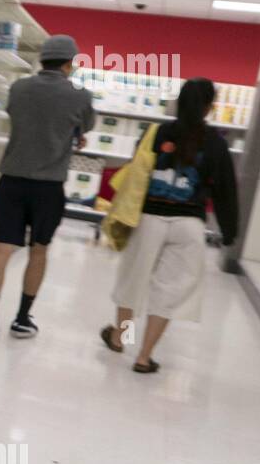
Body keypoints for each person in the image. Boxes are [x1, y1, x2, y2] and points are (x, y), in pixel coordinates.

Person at [99, 78, 238, 372]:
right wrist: (229, 231)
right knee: (169, 290)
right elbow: (226, 189)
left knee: (133, 279)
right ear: (210, 107)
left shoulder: (157, 132)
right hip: (189, 225)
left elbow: (136, 172)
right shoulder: (216, 143)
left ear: (179, 102)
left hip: (149, 219)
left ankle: (118, 338)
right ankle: (144, 356)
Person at [0, 34, 94, 345]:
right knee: (39, 250)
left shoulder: (19, 87)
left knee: (1, 251)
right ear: (70, 63)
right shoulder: (80, 95)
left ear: (43, 59)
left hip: (12, 181)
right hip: (49, 187)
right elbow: (85, 126)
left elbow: (17, 116)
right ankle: (21, 319)